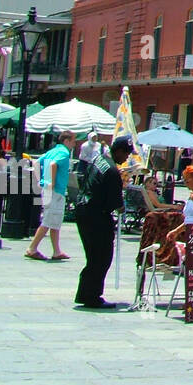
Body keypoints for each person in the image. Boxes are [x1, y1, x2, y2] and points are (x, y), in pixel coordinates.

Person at [73, 137, 132, 309]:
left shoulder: (98, 160)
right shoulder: (113, 171)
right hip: (96, 216)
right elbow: (116, 202)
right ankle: (92, 296)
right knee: (102, 257)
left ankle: (85, 293)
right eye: (126, 154)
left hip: (84, 210)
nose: (126, 158)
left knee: (93, 257)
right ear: (119, 151)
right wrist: (121, 207)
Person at [26, 130, 74, 261]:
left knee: (55, 221)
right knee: (48, 220)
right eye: (73, 141)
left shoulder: (52, 151)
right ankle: (32, 248)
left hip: (48, 190)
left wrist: (40, 181)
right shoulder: (64, 152)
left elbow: (36, 163)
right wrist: (51, 183)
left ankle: (57, 251)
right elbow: (53, 165)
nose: (74, 144)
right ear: (66, 141)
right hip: (55, 191)